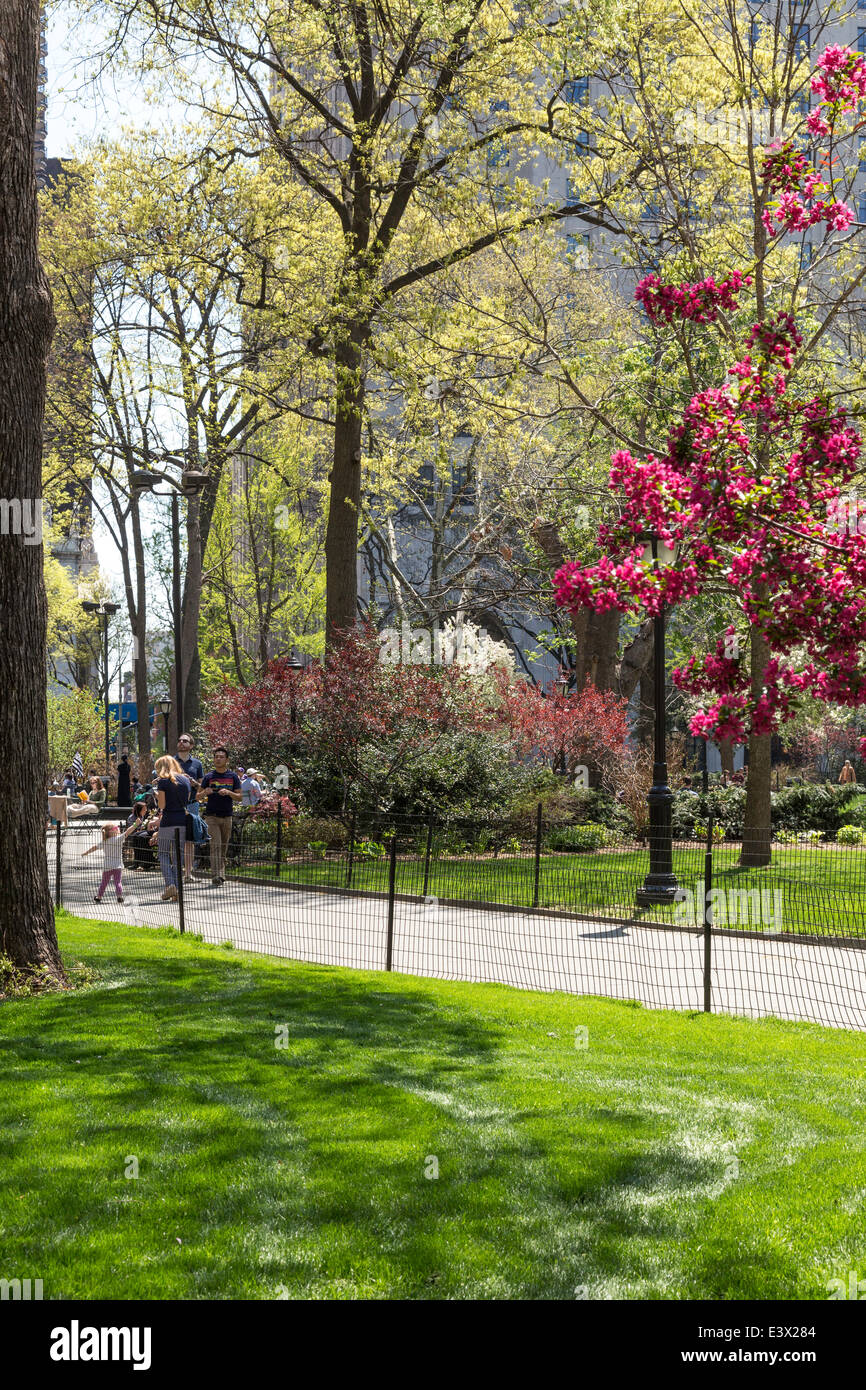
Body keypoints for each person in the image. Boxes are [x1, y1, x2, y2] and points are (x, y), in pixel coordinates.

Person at [198, 746, 242, 887]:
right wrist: (205, 792)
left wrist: (229, 793)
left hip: (227, 816)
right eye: (216, 756)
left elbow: (240, 797)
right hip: (212, 817)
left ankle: (221, 874)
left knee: (223, 847)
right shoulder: (208, 777)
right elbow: (197, 796)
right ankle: (216, 875)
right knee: (215, 845)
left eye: (221, 756)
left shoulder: (233, 777)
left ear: (227, 760)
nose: (218, 759)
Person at [154, 755, 191, 902]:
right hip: (182, 820)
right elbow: (186, 800)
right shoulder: (186, 780)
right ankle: (177, 891)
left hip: (168, 821)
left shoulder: (163, 782)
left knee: (163, 853)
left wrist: (156, 794)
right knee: (178, 856)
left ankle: (170, 884)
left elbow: (162, 806)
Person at [176, 733, 205, 883]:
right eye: (179, 740)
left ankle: (188, 874)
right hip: (175, 804)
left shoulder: (197, 764)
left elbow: (202, 787)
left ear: (191, 745)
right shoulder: (171, 762)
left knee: (189, 840)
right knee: (174, 839)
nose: (181, 743)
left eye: (185, 741)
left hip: (192, 804)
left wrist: (193, 783)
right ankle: (175, 874)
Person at [82, 823, 125, 904]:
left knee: (104, 882)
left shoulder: (104, 841)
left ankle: (99, 897)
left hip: (107, 866)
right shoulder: (118, 839)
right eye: (116, 827)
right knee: (118, 882)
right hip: (117, 866)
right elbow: (128, 832)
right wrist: (135, 825)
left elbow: (94, 847)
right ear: (112, 831)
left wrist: (86, 853)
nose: (118, 828)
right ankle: (119, 896)